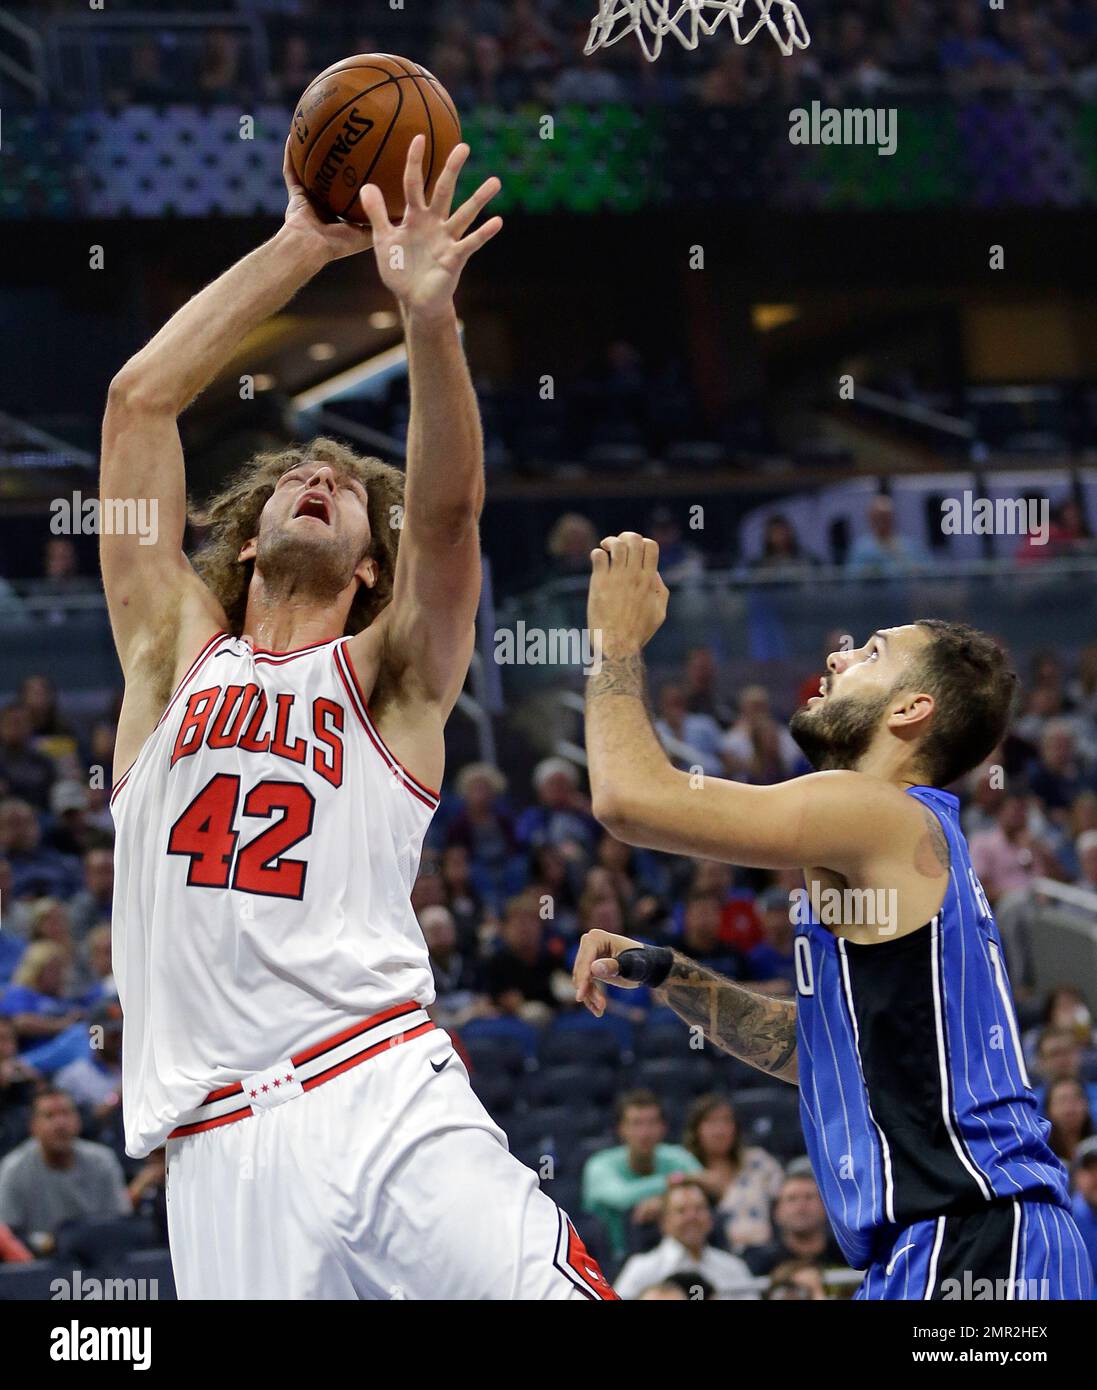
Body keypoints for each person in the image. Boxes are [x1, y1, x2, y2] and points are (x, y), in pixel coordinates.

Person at [99, 137, 614, 1301]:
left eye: (340, 487)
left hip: (378, 1089)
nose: (315, 480)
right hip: (217, 1154)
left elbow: (446, 514)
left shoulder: (390, 679)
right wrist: (300, 242)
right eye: (291, 478)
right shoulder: (169, 655)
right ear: (245, 533)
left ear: (371, 571)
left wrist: (427, 319)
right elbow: (140, 400)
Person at [574, 531, 1091, 1299]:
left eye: (870, 653)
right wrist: (669, 973)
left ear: (912, 709)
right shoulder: (892, 842)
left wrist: (612, 643)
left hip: (978, 1235)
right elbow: (818, 1051)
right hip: (942, 1245)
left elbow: (627, 798)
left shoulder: (875, 811)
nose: (838, 658)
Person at [581, 1090, 701, 1264]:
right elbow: (622, 1198)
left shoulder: (677, 1156)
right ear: (621, 1129)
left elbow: (705, 1182)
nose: (645, 1132)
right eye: (636, 1124)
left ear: (663, 1127)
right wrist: (672, 1182)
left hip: (680, 1258)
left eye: (652, 1123)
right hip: (613, 1262)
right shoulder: (599, 1164)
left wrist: (662, 1202)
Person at [0, 1089, 130, 1249]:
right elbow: (8, 1234)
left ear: (79, 1120)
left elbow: (120, 1219)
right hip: (40, 1262)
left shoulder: (102, 1160)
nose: (60, 1124)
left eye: (66, 1113)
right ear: (33, 1126)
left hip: (99, 1256)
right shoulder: (14, 1169)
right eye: (49, 1116)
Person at [613, 1179, 756, 1299]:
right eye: (681, 1211)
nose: (692, 1217)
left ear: (710, 1218)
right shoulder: (641, 1268)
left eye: (699, 1209)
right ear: (664, 1222)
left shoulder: (733, 1268)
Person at [682, 1094, 784, 1251]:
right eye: (711, 1122)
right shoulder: (685, 1168)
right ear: (696, 1129)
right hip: (711, 1256)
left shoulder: (758, 1161)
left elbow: (786, 1199)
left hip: (764, 1252)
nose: (720, 1130)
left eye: (726, 1121)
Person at [740, 1166, 845, 1277]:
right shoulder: (758, 1262)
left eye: (809, 1197)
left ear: (826, 1207)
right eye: (791, 1199)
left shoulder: (847, 1254)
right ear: (776, 1211)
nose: (801, 1207)